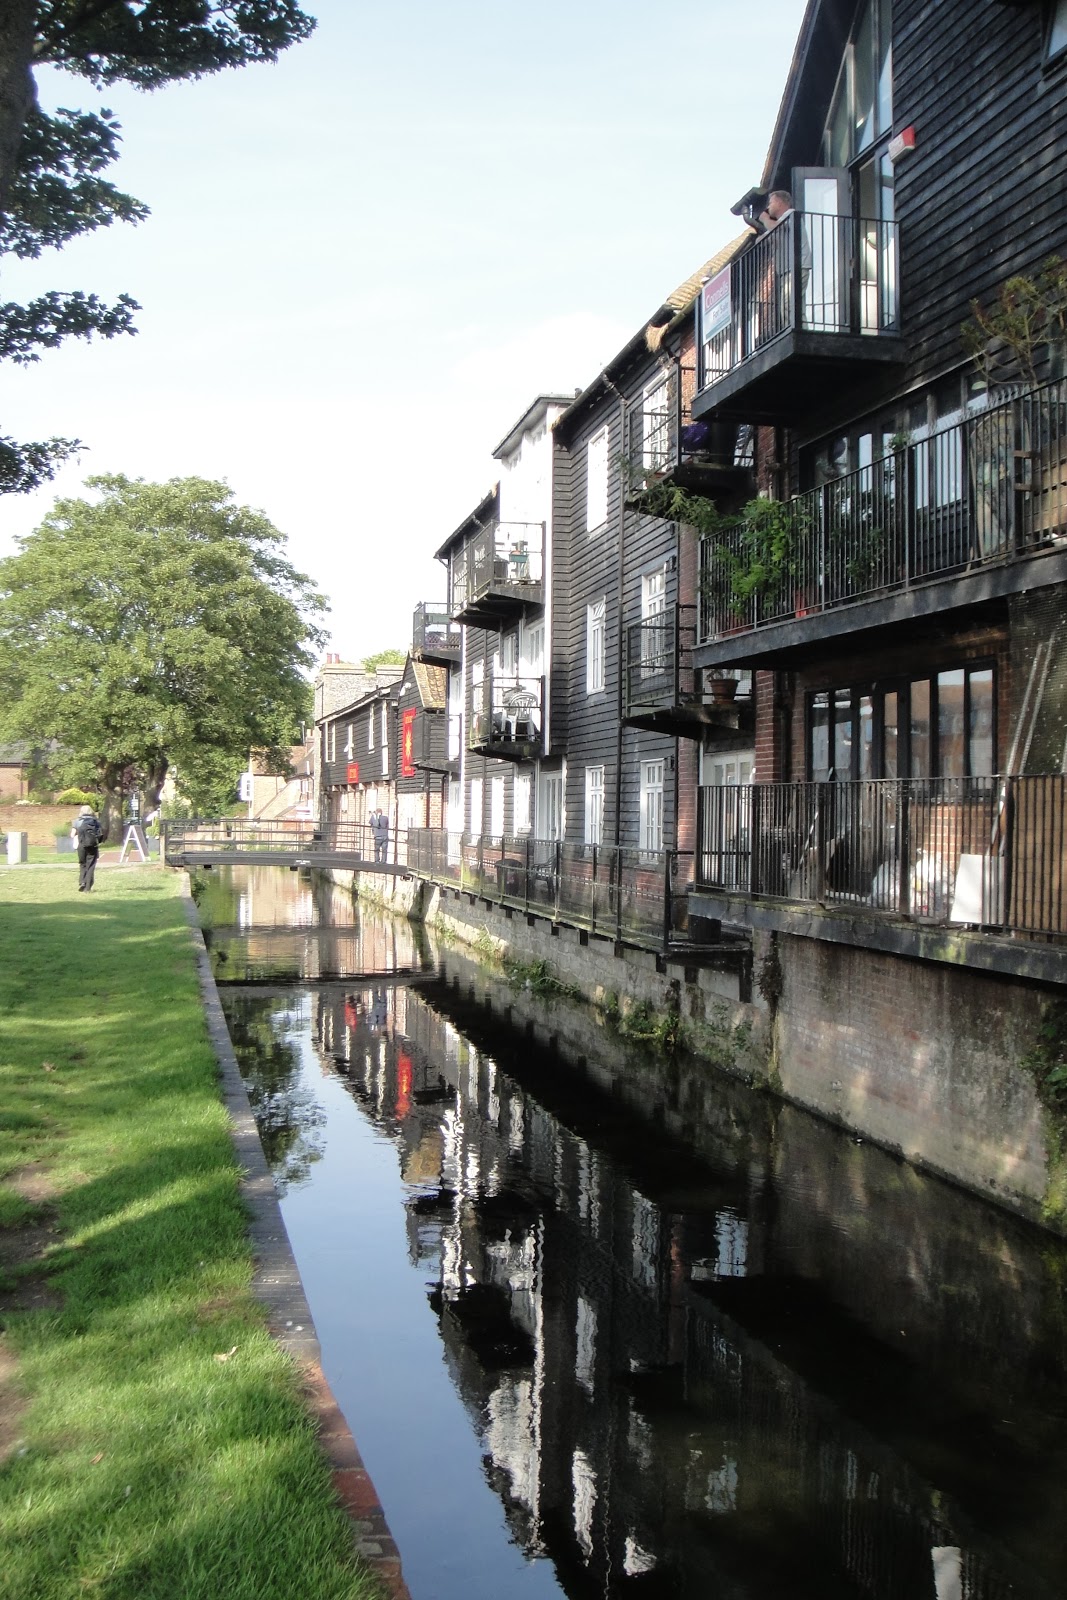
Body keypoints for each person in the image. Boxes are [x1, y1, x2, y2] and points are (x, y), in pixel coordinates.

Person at [74, 803, 101, 892]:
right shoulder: (95, 821)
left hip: (81, 845)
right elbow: (101, 834)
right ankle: (88, 887)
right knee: (91, 865)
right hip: (93, 846)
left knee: (83, 864)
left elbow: (72, 835)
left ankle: (82, 881)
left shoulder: (77, 821)